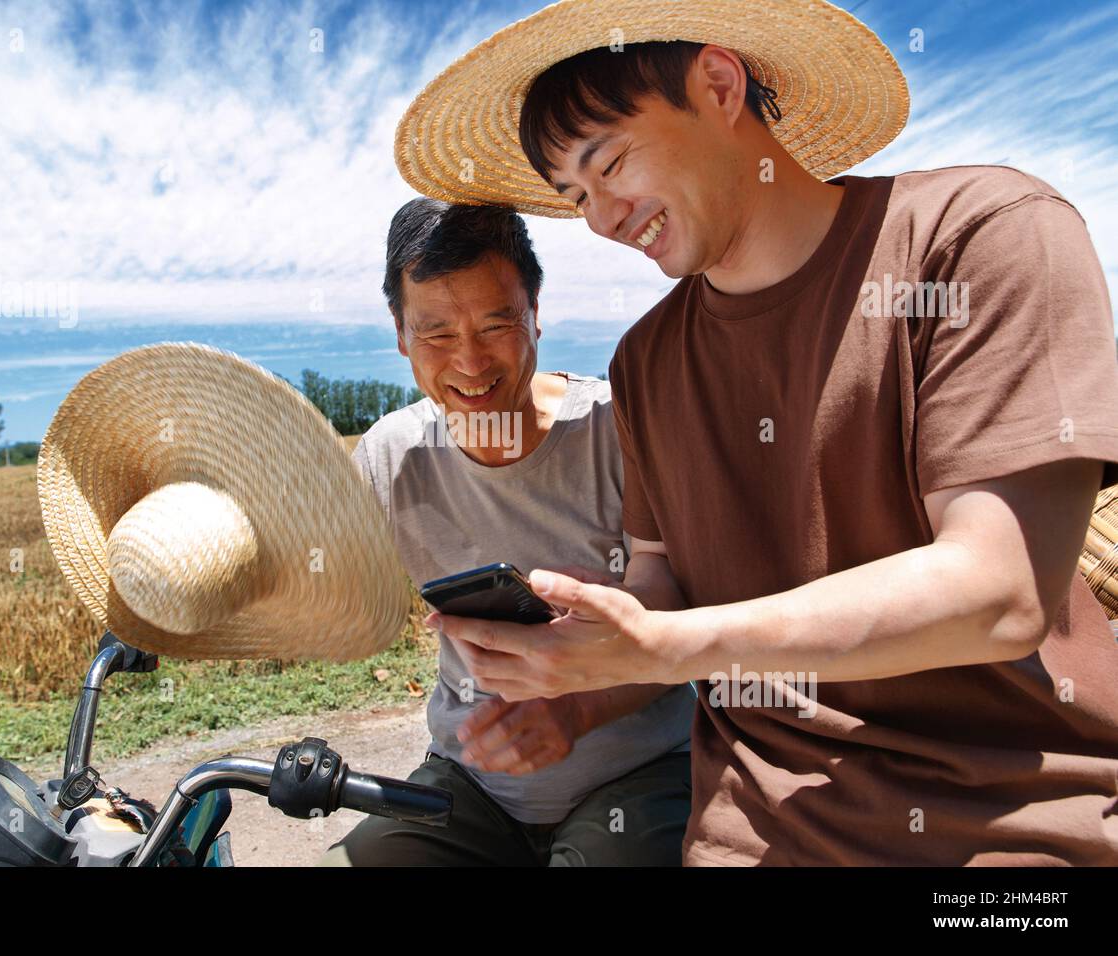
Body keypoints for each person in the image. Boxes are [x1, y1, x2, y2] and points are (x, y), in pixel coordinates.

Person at [398, 1, 1118, 864]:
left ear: (718, 84)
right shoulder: (648, 362)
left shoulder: (976, 236)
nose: (601, 217)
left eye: (611, 163)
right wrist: (591, 652)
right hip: (752, 832)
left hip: (1011, 826)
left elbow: (1000, 594)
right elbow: (661, 577)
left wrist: (665, 648)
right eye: (576, 196)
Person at [319, 198, 695, 865]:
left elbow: (671, 604)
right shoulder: (390, 456)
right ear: (400, 332)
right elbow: (323, 595)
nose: (469, 362)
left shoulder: (619, 429)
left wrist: (578, 705)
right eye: (435, 332)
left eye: (497, 323)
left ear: (536, 312)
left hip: (634, 778)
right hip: (471, 786)